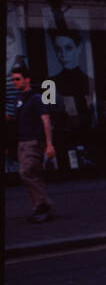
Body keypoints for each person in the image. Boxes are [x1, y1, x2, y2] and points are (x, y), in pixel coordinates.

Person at [10, 64, 56, 222]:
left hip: (33, 141)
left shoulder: (36, 98)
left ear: (27, 80)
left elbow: (46, 120)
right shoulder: (18, 99)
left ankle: (43, 203)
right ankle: (39, 207)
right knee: (34, 174)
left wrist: (49, 143)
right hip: (22, 141)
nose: (14, 82)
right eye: (13, 80)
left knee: (26, 173)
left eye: (17, 79)